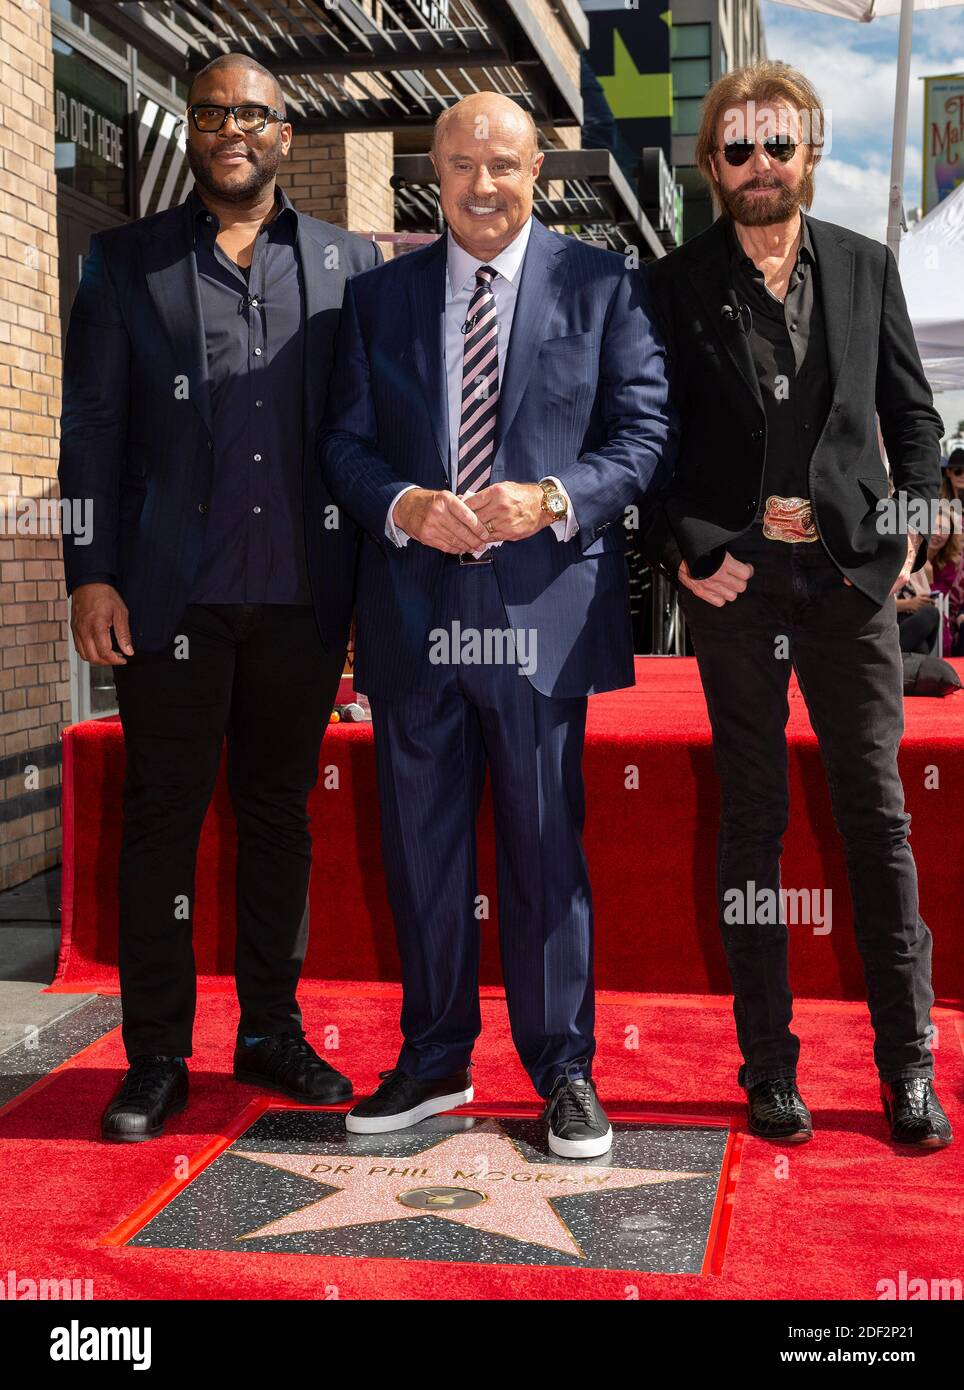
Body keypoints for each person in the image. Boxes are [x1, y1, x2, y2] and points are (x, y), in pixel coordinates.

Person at [319, 91, 674, 1158]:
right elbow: (342, 444)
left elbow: (642, 435)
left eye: (504, 165)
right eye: (462, 164)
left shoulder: (603, 283)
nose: (482, 185)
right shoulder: (377, 297)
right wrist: (402, 504)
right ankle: (433, 1057)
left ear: (537, 174)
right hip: (414, 616)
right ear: (433, 171)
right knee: (421, 851)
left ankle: (562, 1067)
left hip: (540, 620)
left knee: (542, 848)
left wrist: (553, 497)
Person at [59, 54, 380, 1143]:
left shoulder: (347, 262)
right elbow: (92, 426)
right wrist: (91, 570)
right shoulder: (124, 260)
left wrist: (373, 587)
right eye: (209, 113)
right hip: (167, 599)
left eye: (251, 114)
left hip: (301, 596)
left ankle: (270, 1031)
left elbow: (365, 430)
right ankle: (155, 1054)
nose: (229, 129)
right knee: (161, 818)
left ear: (285, 132)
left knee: (278, 815)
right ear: (188, 129)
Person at [643, 61, 951, 1148]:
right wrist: (686, 547)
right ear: (711, 163)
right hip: (735, 588)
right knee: (752, 820)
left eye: (778, 143)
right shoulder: (671, 284)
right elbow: (647, 438)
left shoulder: (865, 266)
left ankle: (906, 1067)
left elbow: (913, 418)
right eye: (738, 146)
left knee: (876, 817)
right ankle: (767, 1067)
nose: (760, 163)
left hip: (849, 584)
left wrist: (911, 520)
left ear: (808, 153)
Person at [929, 443, 964, 656]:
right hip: (944, 560)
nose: (963, 476)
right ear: (949, 472)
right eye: (958, 471)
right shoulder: (939, 501)